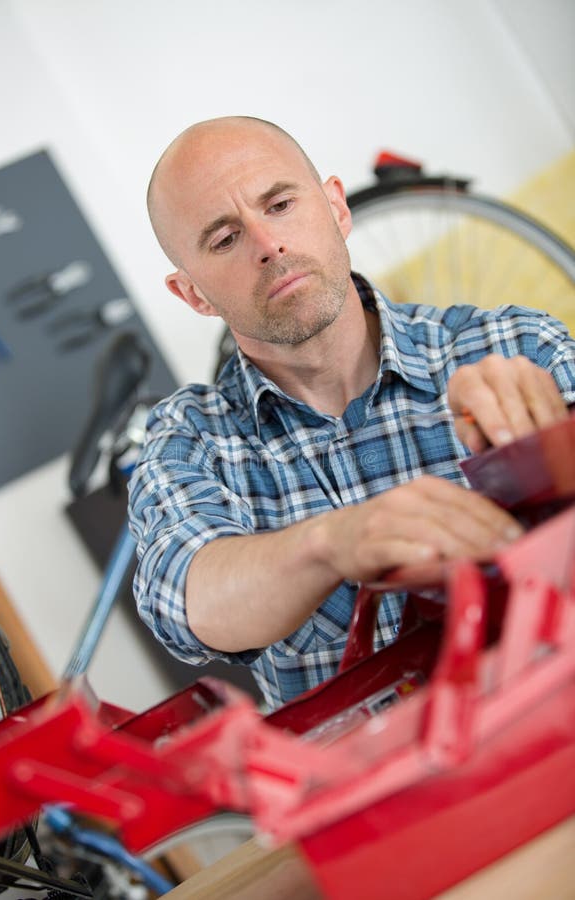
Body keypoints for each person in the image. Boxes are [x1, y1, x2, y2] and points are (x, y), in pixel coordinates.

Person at [128, 116, 575, 710]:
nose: (269, 246)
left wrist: (548, 457)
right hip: (395, 791)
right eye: (225, 239)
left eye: (280, 204)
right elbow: (186, 599)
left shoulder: (516, 345)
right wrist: (329, 544)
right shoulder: (187, 442)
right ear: (193, 294)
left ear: (337, 208)